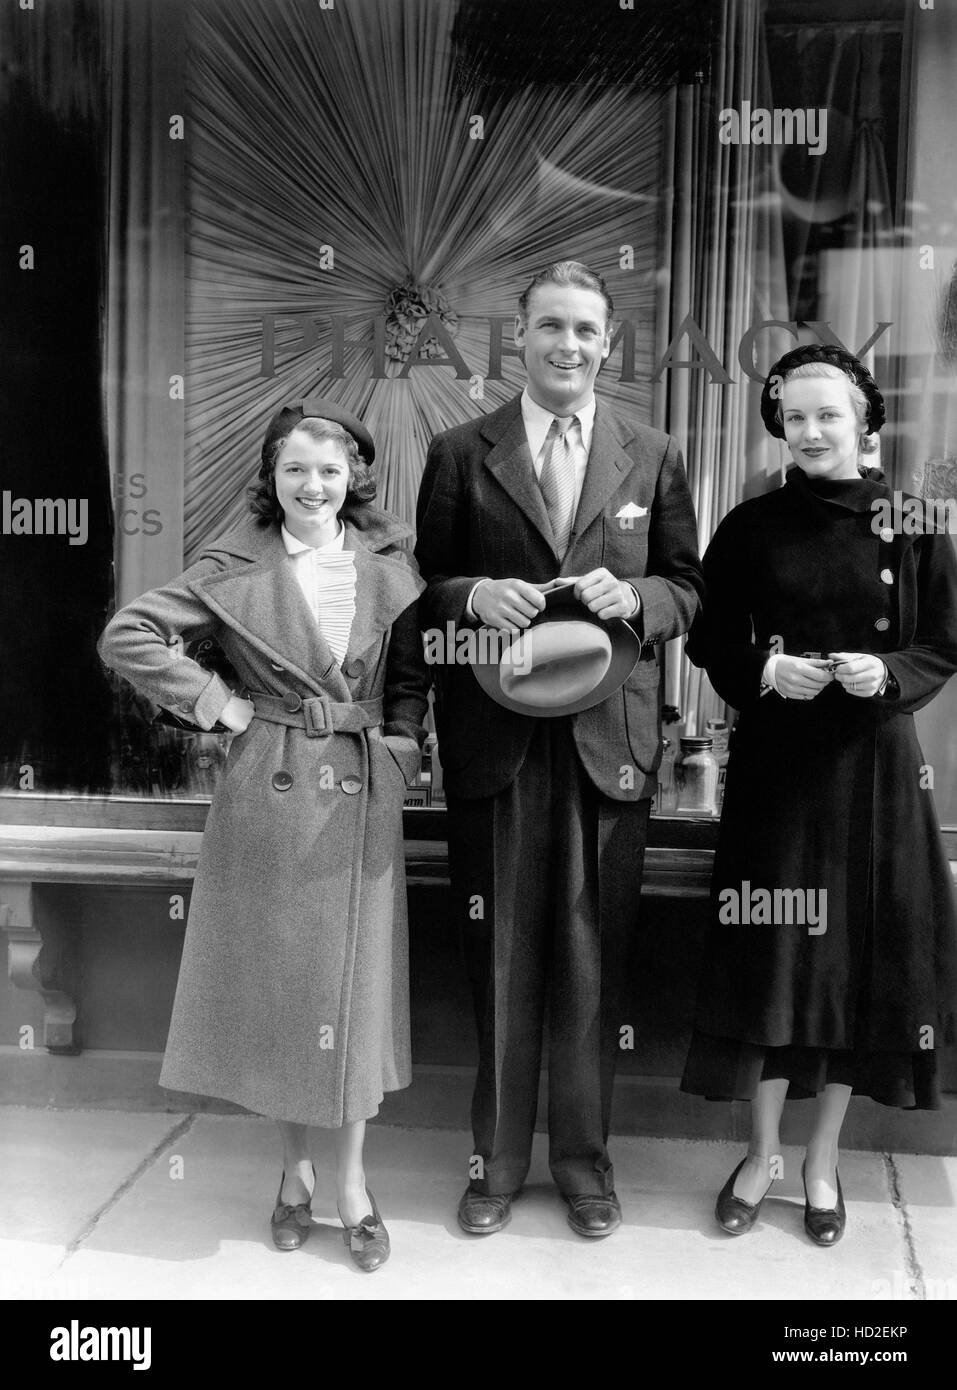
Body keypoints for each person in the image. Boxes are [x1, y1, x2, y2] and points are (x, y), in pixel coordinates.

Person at [98, 399, 430, 1271]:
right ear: (271, 480)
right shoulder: (232, 565)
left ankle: (352, 1186)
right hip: (274, 790)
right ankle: (293, 1179)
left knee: (350, 1001)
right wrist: (218, 703)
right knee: (291, 995)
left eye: (328, 471)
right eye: (294, 470)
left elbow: (409, 677)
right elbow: (127, 634)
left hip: (360, 792)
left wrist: (400, 749)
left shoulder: (389, 562)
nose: (312, 486)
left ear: (353, 478)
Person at [414, 260, 703, 1237]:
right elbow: (424, 587)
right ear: (521, 339)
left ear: (608, 343)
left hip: (605, 745)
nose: (567, 345)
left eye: (585, 329)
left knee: (591, 967)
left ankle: (583, 1165)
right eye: (549, 327)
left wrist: (649, 600)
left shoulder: (652, 452)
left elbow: (690, 586)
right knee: (496, 957)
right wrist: (469, 596)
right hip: (494, 743)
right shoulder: (460, 451)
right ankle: (493, 1165)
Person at [681, 344, 957, 1244]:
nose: (809, 431)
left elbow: (944, 643)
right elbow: (710, 642)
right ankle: (759, 1154)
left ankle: (820, 1159)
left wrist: (884, 669)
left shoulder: (914, 518)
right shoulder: (750, 526)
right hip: (778, 773)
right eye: (794, 416)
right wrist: (766, 667)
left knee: (854, 969)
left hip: (876, 769)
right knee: (773, 962)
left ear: (864, 421)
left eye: (827, 414)